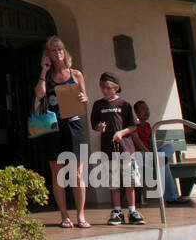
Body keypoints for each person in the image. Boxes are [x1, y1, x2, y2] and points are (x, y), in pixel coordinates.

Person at [33, 36, 91, 228]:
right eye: (53, 50)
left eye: (60, 49)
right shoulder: (47, 77)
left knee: (76, 173)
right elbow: (40, 95)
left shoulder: (76, 74)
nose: (57, 53)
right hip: (52, 126)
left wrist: (83, 98)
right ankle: (64, 215)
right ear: (47, 54)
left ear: (64, 52)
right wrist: (44, 70)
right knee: (58, 174)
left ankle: (81, 215)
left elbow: (85, 98)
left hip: (73, 125)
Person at [91, 73, 144, 225]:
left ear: (116, 88)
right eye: (103, 88)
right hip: (109, 149)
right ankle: (117, 210)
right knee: (114, 181)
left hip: (125, 148)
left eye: (108, 88)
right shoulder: (98, 105)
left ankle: (132, 210)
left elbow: (133, 126)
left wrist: (122, 132)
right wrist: (99, 127)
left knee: (130, 180)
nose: (105, 91)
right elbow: (94, 123)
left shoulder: (124, 104)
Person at [133, 101, 191, 205]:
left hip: (152, 156)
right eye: (143, 109)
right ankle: (172, 197)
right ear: (136, 112)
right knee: (162, 162)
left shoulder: (147, 125)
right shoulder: (133, 126)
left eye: (147, 109)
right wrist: (150, 154)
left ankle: (159, 158)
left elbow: (151, 142)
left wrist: (154, 152)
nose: (146, 111)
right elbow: (138, 142)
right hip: (139, 156)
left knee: (169, 147)